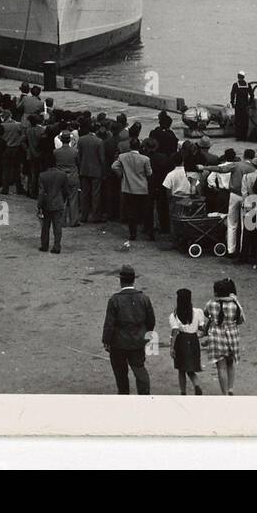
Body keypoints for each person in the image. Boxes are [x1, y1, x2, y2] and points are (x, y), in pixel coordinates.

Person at [102, 265, 155, 395]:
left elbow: (109, 323)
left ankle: (124, 395)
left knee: (120, 373)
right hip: (137, 342)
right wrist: (144, 334)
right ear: (133, 280)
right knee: (139, 368)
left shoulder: (115, 300)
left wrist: (106, 341)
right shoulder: (144, 299)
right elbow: (151, 321)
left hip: (118, 343)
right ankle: (144, 395)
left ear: (121, 281)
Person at [202, 277, 244, 395]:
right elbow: (240, 319)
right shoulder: (235, 304)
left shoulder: (211, 303)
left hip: (216, 336)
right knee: (230, 363)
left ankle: (224, 393)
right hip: (232, 335)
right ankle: (230, 388)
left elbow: (206, 313)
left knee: (221, 367)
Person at [111, 138, 154, 241]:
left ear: (130, 146)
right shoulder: (145, 159)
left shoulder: (123, 157)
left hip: (128, 187)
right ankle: (149, 233)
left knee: (131, 212)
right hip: (142, 188)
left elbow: (114, 166)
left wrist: (121, 175)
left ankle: (133, 234)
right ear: (139, 146)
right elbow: (149, 173)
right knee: (146, 211)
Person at [169, 288, 205, 396]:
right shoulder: (198, 312)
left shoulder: (174, 315)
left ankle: (183, 392)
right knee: (191, 368)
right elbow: (202, 328)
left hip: (181, 341)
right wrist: (201, 334)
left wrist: (172, 347)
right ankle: (196, 385)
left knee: (181, 369)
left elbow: (175, 331)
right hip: (193, 340)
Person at [36, 163, 72, 253]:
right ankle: (57, 246)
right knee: (57, 226)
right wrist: (63, 200)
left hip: (46, 204)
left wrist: (39, 206)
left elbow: (41, 192)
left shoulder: (42, 175)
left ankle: (44, 245)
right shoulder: (62, 175)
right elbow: (66, 190)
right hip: (58, 202)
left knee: (45, 226)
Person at [76, 123, 106, 223]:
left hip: (84, 169)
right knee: (95, 194)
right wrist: (104, 170)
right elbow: (102, 159)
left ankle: (83, 216)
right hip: (96, 170)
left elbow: (79, 156)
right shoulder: (99, 141)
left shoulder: (81, 139)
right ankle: (95, 216)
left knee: (84, 194)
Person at [230, 71, 252, 141]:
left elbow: (232, 94)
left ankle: (238, 136)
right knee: (245, 120)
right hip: (246, 105)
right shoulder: (248, 84)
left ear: (238, 76)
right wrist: (250, 103)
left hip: (238, 105)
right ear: (244, 77)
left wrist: (232, 103)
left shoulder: (235, 84)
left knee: (238, 120)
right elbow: (252, 95)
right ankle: (244, 136)